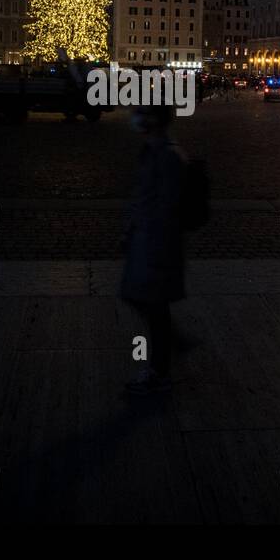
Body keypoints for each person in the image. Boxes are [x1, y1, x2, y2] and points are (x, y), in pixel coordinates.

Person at [119, 104, 186, 395]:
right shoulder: (153, 149)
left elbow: (168, 206)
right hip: (147, 241)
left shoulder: (167, 155)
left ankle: (160, 370)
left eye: (144, 114)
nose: (137, 119)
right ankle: (170, 349)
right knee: (143, 300)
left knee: (151, 305)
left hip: (157, 245)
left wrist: (150, 238)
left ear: (156, 120)